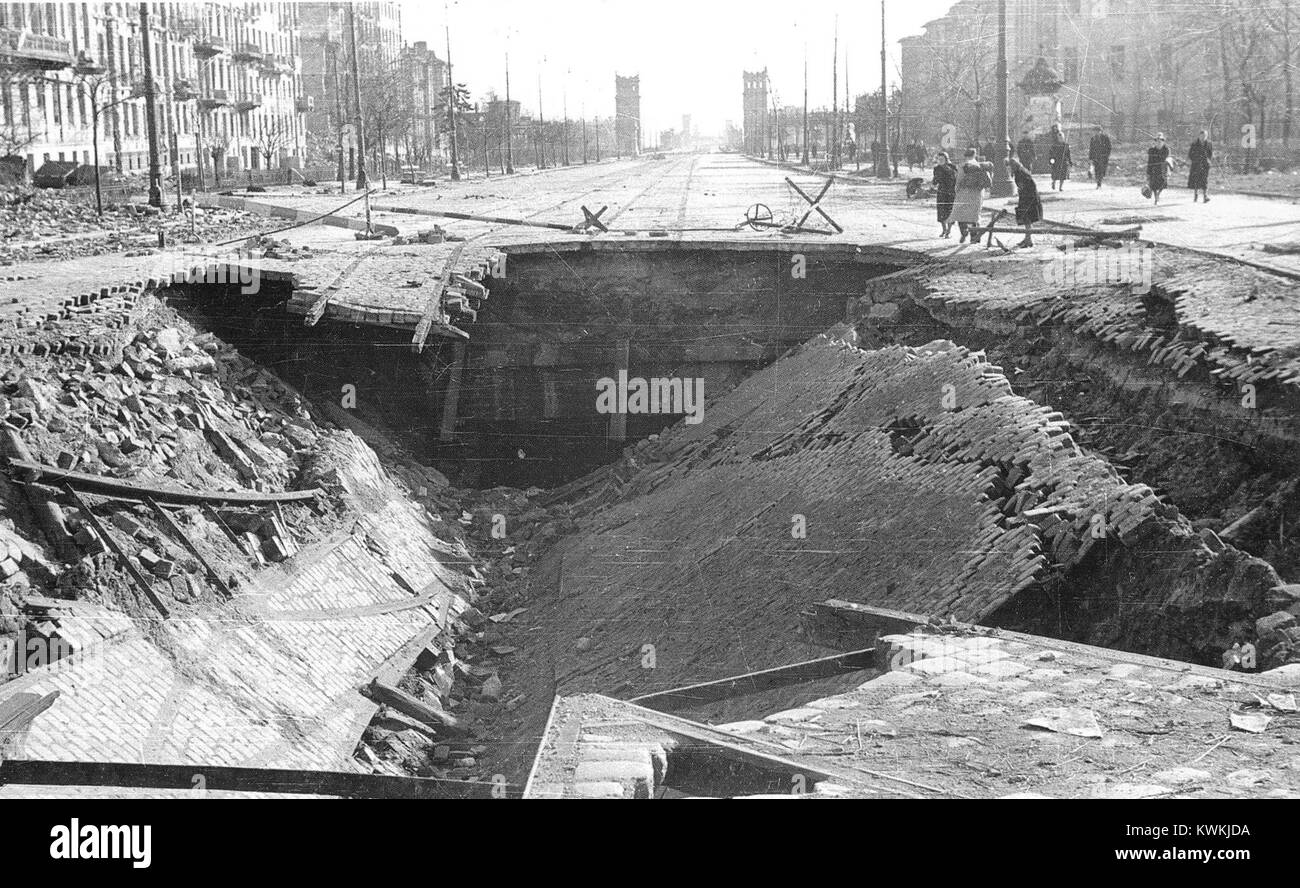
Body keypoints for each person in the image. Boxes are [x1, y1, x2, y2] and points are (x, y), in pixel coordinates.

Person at [948, 147, 994, 243]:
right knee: (974, 215)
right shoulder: (981, 165)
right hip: (977, 193)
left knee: (960, 213)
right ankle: (975, 236)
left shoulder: (963, 165)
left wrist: (956, 189)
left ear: (965, 156)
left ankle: (964, 232)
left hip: (964, 192)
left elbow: (959, 179)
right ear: (975, 155)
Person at [1007, 141, 1042, 248]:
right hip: (1029, 197)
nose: (1008, 169)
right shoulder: (1022, 171)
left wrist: (1021, 192)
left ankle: (1028, 240)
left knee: (1027, 219)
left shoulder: (1020, 174)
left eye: (1009, 167)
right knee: (1027, 220)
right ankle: (1028, 239)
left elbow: (1026, 186)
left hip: (1029, 198)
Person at [932, 150, 958, 238]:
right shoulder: (937, 169)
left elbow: (956, 179)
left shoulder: (953, 167)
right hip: (941, 192)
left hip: (951, 192)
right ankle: (944, 230)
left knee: (950, 211)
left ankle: (949, 231)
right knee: (941, 211)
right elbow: (935, 181)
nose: (940, 160)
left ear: (946, 159)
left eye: (942, 159)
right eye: (939, 159)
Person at [1188, 130, 1213, 203]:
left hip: (1205, 165)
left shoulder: (1209, 143)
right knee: (1196, 180)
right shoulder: (1194, 143)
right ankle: (1196, 195)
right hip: (1196, 164)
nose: (1203, 137)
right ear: (1199, 136)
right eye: (1202, 136)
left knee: (1205, 180)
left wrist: (1208, 160)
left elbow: (1210, 153)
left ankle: (1205, 196)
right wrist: (1195, 160)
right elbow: (1190, 154)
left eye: (1205, 136)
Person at [1146, 132, 1171, 205]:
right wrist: (1148, 171)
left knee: (1163, 183)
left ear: (1163, 141)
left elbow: (1168, 158)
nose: (1159, 141)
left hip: (1163, 169)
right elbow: (1149, 161)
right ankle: (1156, 196)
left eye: (1161, 140)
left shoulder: (1166, 149)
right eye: (1157, 140)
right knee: (1153, 184)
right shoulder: (1151, 150)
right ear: (1155, 141)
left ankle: (1158, 194)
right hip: (1154, 169)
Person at [1047, 125, 1071, 190]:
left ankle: (1060, 187)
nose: (1060, 138)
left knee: (1063, 176)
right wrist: (1051, 161)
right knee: (1055, 174)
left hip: (1063, 162)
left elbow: (1068, 154)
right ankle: (1053, 183)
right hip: (1056, 161)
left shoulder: (1066, 145)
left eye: (1061, 137)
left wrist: (1070, 162)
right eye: (1059, 137)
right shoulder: (1054, 145)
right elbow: (1051, 154)